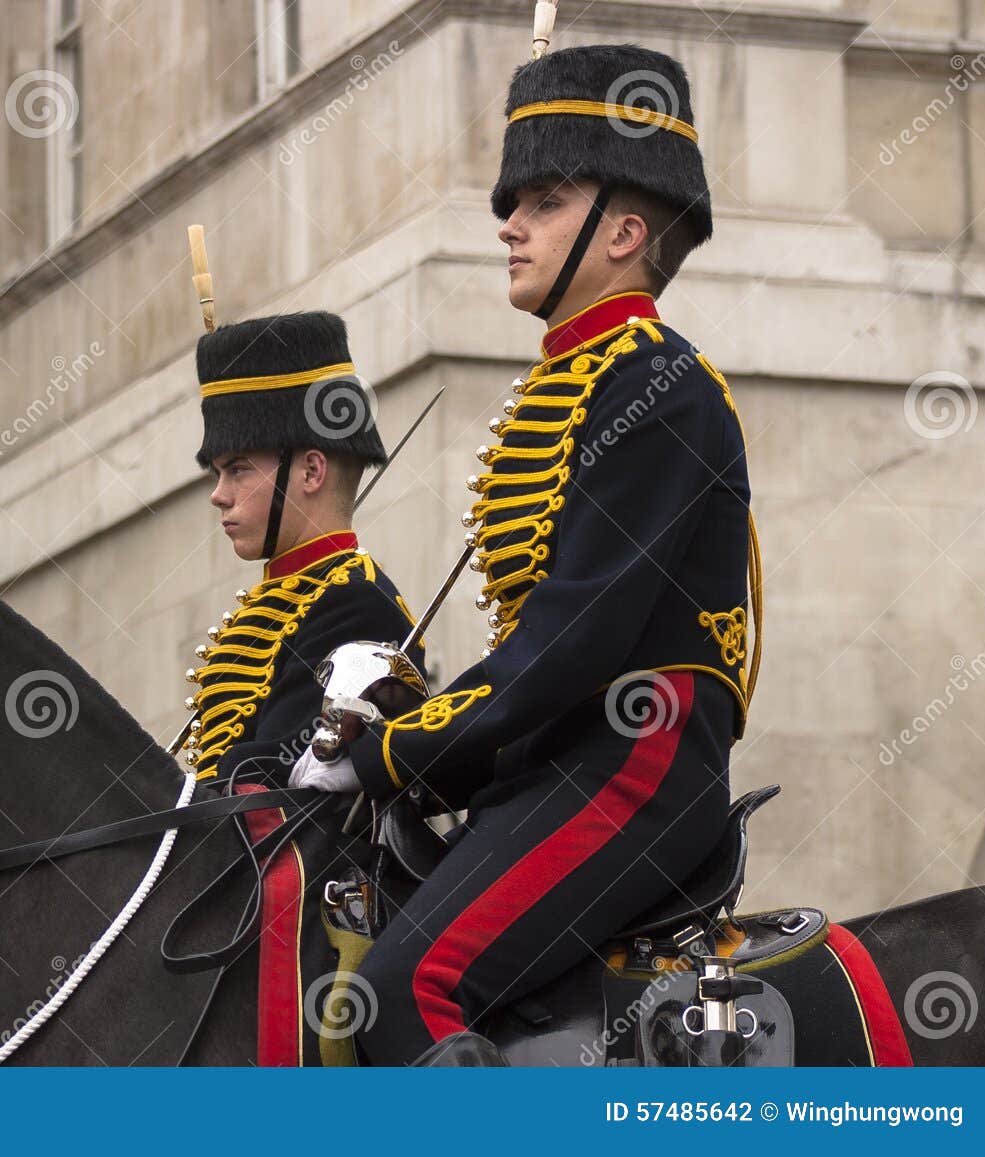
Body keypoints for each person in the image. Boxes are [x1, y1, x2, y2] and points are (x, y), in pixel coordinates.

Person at [287, 43, 763, 1066]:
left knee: (403, 985)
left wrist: (396, 749)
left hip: (633, 760)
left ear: (625, 230)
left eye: (543, 201)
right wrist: (408, 732)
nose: (508, 223)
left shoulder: (661, 389)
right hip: (557, 761)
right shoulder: (573, 386)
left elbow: (570, 644)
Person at [182, 310, 424, 789]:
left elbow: (274, 782)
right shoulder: (283, 595)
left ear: (311, 471)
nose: (219, 493)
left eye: (238, 469)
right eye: (217, 474)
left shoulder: (352, 600)